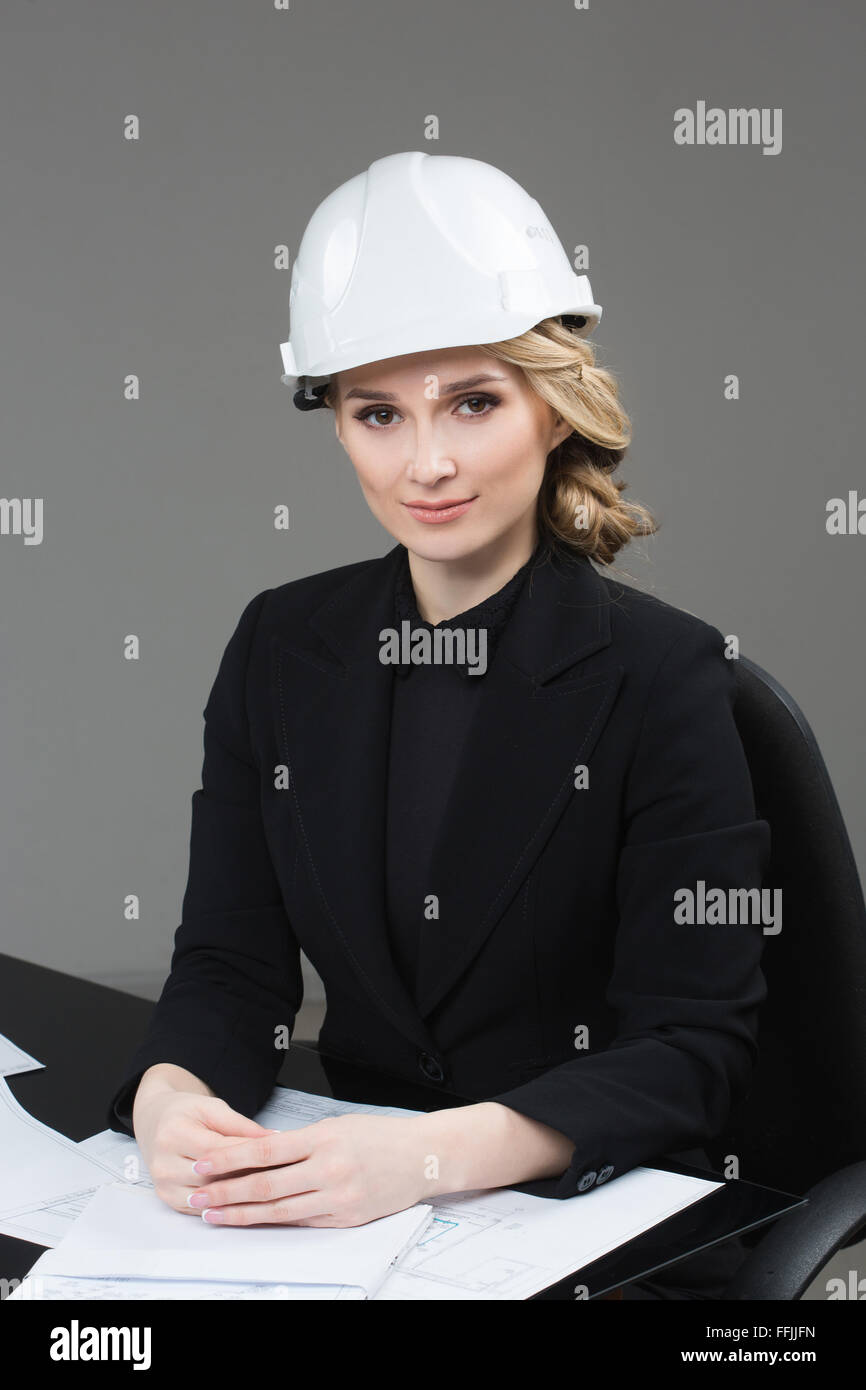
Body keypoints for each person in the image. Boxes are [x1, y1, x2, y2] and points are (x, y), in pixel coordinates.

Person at [107, 152, 771, 1300]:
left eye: (472, 400)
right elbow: (229, 966)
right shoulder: (279, 645)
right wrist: (172, 1096)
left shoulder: (664, 677)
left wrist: (422, 1157)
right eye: (377, 413)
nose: (426, 463)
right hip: (343, 1207)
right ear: (337, 424)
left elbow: (688, 1050)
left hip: (588, 1226)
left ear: (551, 404)